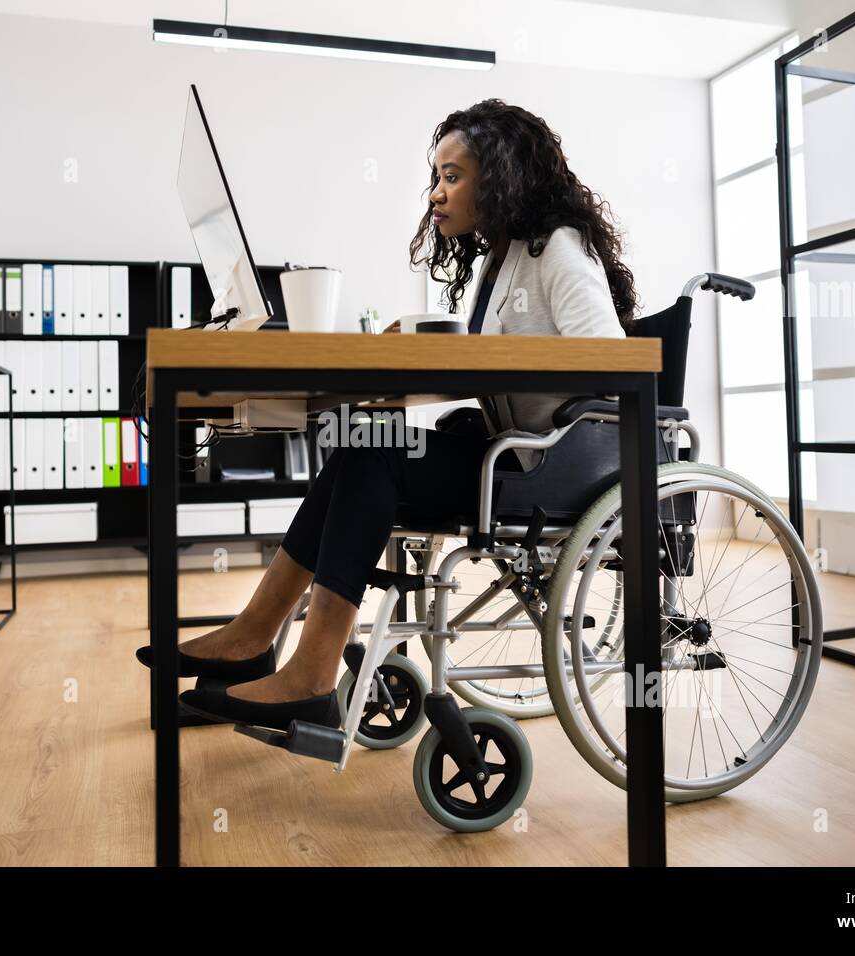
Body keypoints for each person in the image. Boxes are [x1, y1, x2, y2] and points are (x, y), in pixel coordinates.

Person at [138, 98, 640, 732]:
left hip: (551, 468)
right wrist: (452, 345)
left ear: (504, 174)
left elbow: (613, 365)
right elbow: (513, 344)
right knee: (365, 438)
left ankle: (305, 670)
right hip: (509, 456)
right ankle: (258, 637)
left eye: (452, 177)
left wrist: (467, 354)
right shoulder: (503, 255)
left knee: (372, 448)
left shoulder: (559, 247)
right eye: (437, 177)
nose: (436, 194)